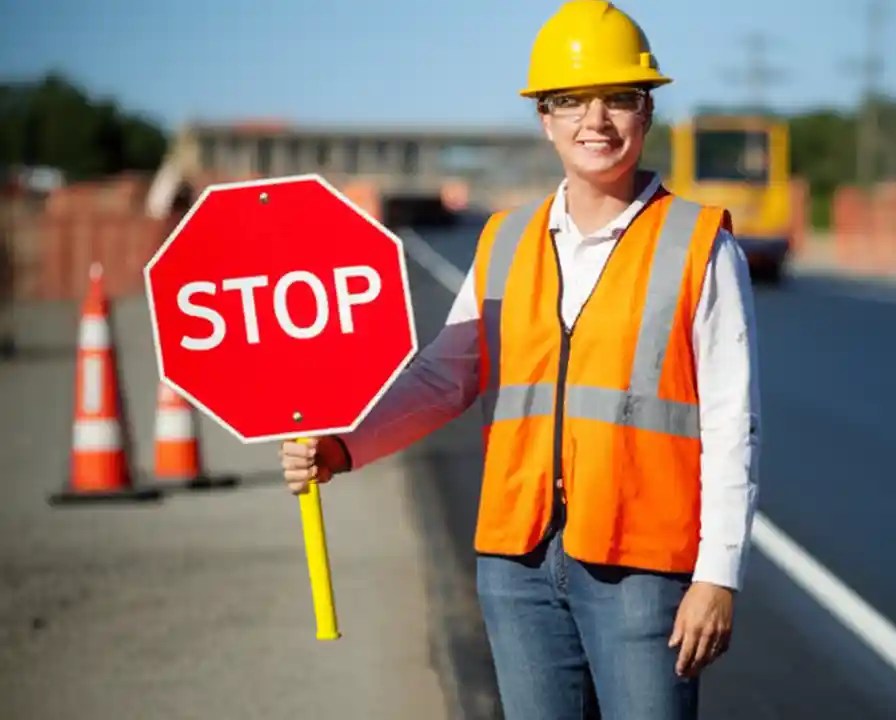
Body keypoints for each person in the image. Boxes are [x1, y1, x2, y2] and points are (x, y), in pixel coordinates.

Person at [279, 1, 762, 717]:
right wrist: (345, 447)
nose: (595, 120)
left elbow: (732, 422)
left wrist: (718, 576)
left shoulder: (699, 245)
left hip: (643, 567)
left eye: (618, 99)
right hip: (517, 566)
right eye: (571, 100)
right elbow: (445, 377)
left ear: (647, 112)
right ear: (544, 117)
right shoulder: (504, 243)